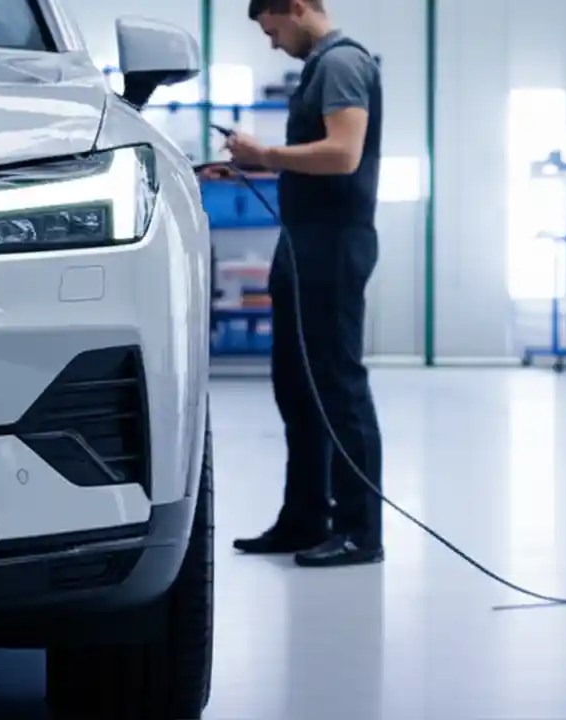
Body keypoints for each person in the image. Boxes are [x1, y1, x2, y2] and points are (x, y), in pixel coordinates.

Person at [221, 0, 385, 567]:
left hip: (333, 247)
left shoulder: (342, 64)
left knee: (338, 386)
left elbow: (343, 153)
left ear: (294, 7)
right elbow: (315, 155)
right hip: (301, 245)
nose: (271, 43)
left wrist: (263, 152)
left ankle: (360, 532)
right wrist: (255, 165)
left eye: (272, 31)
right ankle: (304, 518)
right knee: (297, 386)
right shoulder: (318, 66)